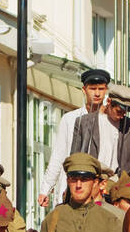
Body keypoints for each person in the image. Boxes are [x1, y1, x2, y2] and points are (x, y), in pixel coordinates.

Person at [38, 68, 112, 209]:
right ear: (84, 90)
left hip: (102, 192)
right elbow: (58, 156)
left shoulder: (112, 120)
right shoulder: (70, 119)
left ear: (106, 90)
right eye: (92, 89)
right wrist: (45, 189)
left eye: (101, 89)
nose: (97, 93)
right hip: (73, 190)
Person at [74, 82, 130, 175]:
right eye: (119, 111)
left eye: (125, 113)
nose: (122, 116)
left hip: (116, 183)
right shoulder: (85, 122)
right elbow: (74, 158)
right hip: (91, 179)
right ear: (109, 102)